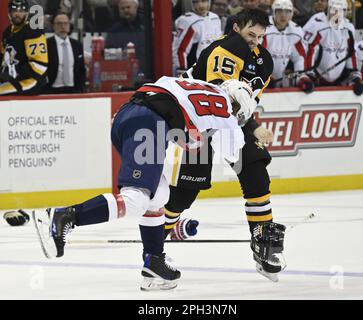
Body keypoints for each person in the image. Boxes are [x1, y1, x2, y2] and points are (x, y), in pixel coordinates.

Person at [32, 76, 257, 291]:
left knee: (158, 195)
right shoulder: (225, 111)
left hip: (128, 114)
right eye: (239, 112)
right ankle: (65, 216)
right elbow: (232, 151)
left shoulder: (198, 85)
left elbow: (167, 95)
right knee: (135, 199)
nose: (236, 115)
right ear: (238, 104)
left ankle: (154, 263)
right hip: (149, 124)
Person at [165, 8, 287, 282]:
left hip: (231, 120)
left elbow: (245, 102)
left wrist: (251, 125)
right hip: (197, 117)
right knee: (186, 191)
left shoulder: (263, 61)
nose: (255, 40)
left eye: (259, 36)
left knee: (256, 173)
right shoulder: (223, 50)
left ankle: (262, 243)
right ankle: (156, 244)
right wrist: (253, 126)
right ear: (235, 29)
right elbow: (219, 97)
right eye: (250, 34)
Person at [302, 0, 363, 95]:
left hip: (339, 77)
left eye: (340, 10)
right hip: (317, 76)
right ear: (328, 9)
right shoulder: (317, 25)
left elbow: (350, 52)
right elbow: (309, 49)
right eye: (334, 10)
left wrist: (354, 75)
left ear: (345, 11)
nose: (337, 14)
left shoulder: (348, 28)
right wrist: (308, 74)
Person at [0, 0, 48, 96]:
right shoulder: (7, 32)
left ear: (26, 13)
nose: (17, 14)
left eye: (21, 11)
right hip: (12, 78)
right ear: (9, 13)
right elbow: (2, 58)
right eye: (14, 11)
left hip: (31, 80)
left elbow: (39, 65)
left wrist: (12, 73)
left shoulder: (33, 31)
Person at [262, 0, 309, 89]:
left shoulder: (297, 31)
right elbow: (257, 56)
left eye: (287, 11)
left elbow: (299, 58)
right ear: (273, 12)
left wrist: (301, 77)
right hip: (261, 79)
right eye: (279, 11)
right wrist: (265, 76)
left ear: (292, 14)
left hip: (281, 81)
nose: (283, 15)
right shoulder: (263, 28)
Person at [172, 0, 222, 76]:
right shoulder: (186, 21)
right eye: (196, 2)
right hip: (196, 71)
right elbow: (180, 50)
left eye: (203, 1)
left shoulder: (215, 18)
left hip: (215, 68)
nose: (201, 5)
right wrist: (182, 71)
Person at [45, 13, 86, 94]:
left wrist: (81, 88)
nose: (63, 26)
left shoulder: (77, 45)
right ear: (53, 26)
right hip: (51, 90)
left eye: (65, 23)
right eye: (59, 23)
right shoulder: (46, 45)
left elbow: (81, 68)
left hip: (74, 90)